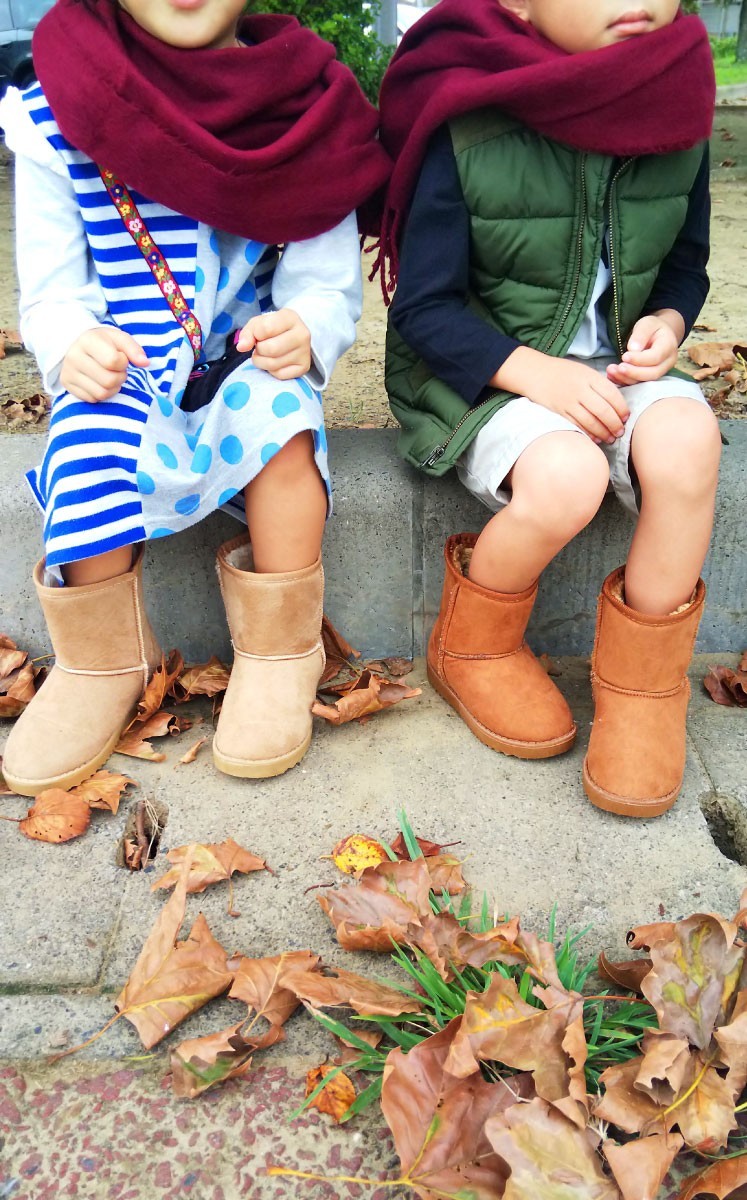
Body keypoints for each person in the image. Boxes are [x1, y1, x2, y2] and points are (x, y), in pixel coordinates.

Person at [0, 0, 390, 795]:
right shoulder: (58, 100)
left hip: (246, 355)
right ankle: (103, 659)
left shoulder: (305, 106)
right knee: (88, 444)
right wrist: (72, 341)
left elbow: (322, 283)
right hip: (130, 361)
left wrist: (307, 327)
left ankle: (281, 647)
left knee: (281, 429)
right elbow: (50, 289)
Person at [380, 0, 720, 818]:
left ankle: (643, 686)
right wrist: (536, 374)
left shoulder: (677, 101)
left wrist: (667, 322)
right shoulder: (470, 115)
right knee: (567, 477)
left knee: (689, 440)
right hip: (482, 370)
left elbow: (685, 261)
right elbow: (423, 308)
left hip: (616, 369)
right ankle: (475, 645)